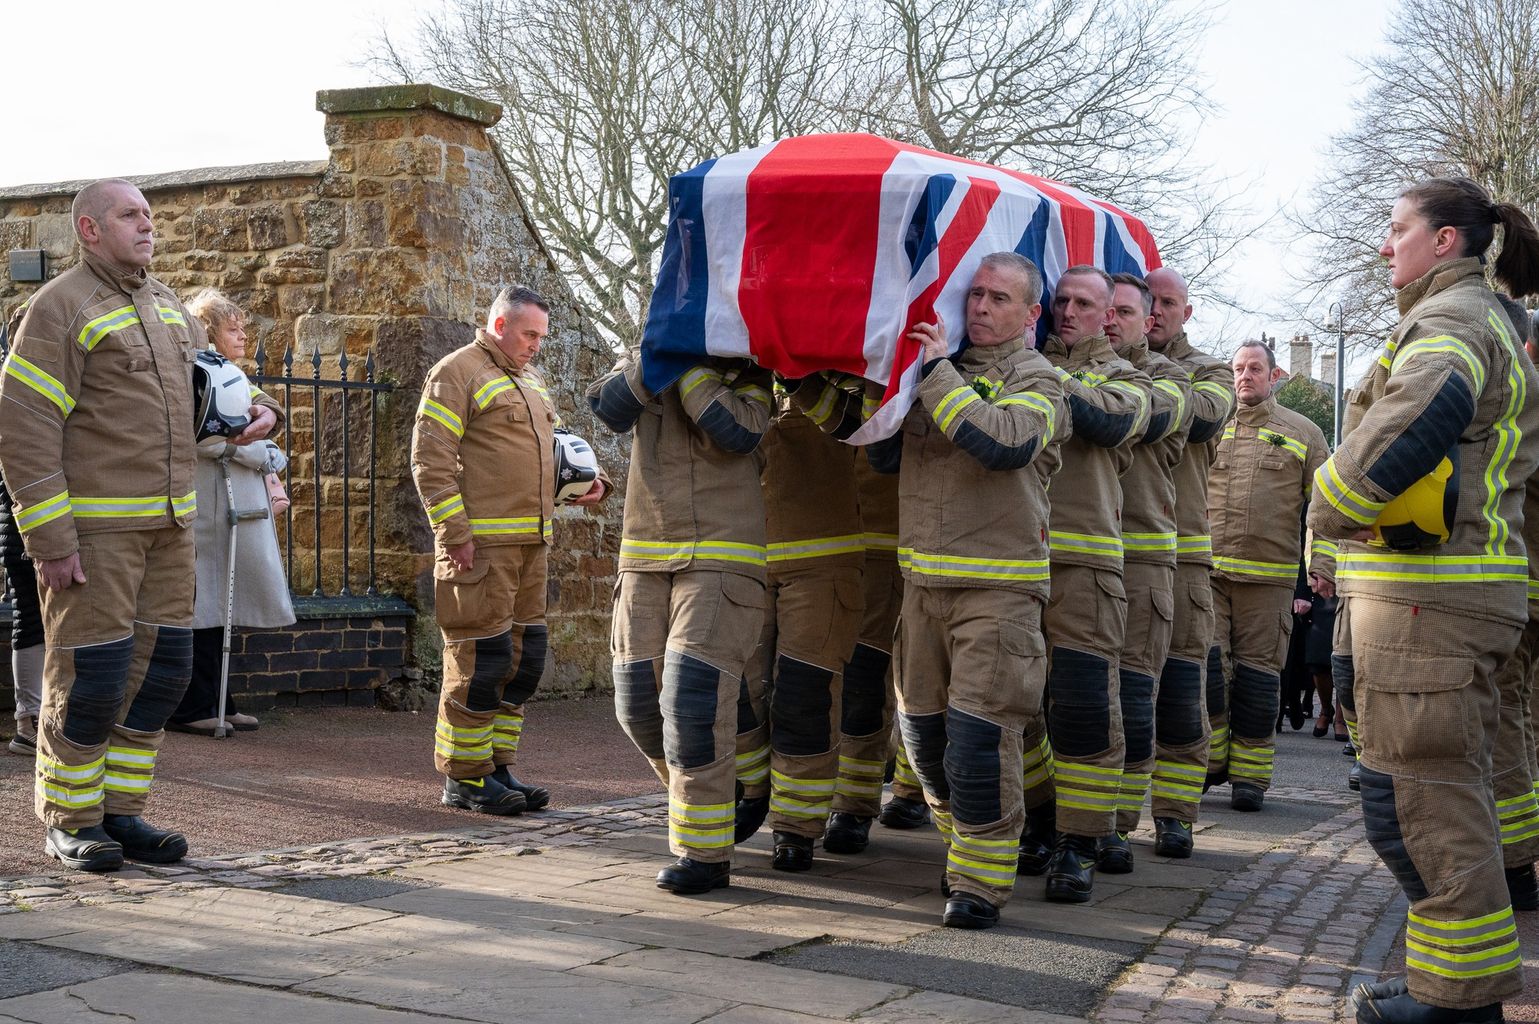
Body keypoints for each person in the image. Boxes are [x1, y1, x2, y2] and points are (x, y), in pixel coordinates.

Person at [0, 178, 277, 872]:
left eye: (149, 214)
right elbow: (25, 428)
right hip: (94, 536)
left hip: (170, 529)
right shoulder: (59, 306)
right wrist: (50, 540)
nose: (147, 224)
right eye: (130, 215)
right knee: (91, 678)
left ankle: (122, 812)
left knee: (162, 674)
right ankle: (71, 819)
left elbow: (215, 379)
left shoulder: (166, 303)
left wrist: (261, 408)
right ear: (90, 229)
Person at [1313, 175, 1539, 1024]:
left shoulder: (1450, 320)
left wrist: (1330, 501)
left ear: (1444, 240)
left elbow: (1428, 401)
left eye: (1396, 228)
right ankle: (1448, 991)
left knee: (1420, 805)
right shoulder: (1484, 316)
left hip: (1430, 604)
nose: (1385, 245)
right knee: (1427, 799)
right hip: (1443, 598)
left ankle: (1458, 1007)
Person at [870, 251, 1068, 929]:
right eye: (975, 294)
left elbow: (1003, 443)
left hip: (999, 591)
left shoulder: (1039, 379)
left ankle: (980, 883)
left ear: (1031, 313)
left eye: (999, 298)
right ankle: (971, 848)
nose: (980, 307)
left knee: (980, 741)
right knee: (924, 741)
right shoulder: (935, 366)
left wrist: (933, 373)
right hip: (922, 588)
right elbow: (880, 453)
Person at [412, 286, 606, 817]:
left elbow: (553, 450)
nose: (536, 345)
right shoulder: (457, 372)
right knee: (480, 660)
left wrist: (591, 483)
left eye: (541, 336)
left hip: (530, 546)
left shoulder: (529, 380)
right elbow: (430, 460)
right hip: (480, 550)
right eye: (529, 334)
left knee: (523, 662)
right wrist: (455, 534)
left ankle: (497, 768)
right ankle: (464, 777)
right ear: (500, 325)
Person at [588, 351, 771, 895]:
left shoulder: (751, 373)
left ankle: (703, 853)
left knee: (693, 701)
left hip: (722, 553)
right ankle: (726, 788)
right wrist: (659, 353)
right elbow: (608, 406)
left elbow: (738, 432)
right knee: (637, 704)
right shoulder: (649, 357)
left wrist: (689, 365)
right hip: (645, 554)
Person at [1018, 264, 1150, 904]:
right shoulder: (1021, 363)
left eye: (1085, 304)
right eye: (1061, 301)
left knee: (1084, 707)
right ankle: (1039, 817)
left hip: (1086, 563)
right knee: (1014, 706)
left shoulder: (1127, 378)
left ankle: (1081, 841)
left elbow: (1109, 421)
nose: (1069, 312)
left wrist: (1041, 377)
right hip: (1017, 560)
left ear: (1108, 315)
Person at [731, 378, 865, 869]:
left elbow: (855, 424)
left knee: (804, 697)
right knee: (741, 692)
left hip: (824, 564)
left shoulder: (841, 375)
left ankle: (796, 826)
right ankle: (752, 789)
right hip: (745, 559)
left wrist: (799, 376)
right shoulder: (736, 372)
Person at [1205, 340, 1328, 812]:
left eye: (1255, 368)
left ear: (1274, 376)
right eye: (1238, 368)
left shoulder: (1303, 432)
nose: (1244, 376)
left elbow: (1324, 510)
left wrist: (1322, 565)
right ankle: (1212, 759)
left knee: (1257, 682)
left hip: (1269, 582)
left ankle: (1250, 778)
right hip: (1208, 574)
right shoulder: (1210, 424)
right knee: (1208, 673)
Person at [167, 289, 292, 736]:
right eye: (232, 328)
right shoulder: (196, 372)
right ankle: (192, 704)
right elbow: (206, 439)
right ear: (208, 332)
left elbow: (262, 407)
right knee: (203, 606)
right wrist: (261, 453)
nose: (242, 336)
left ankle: (220, 700)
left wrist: (268, 421)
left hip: (229, 504)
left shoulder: (228, 372)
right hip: (205, 503)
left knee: (223, 605)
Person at [1101, 272, 1192, 872]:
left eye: (1127, 312)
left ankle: (1118, 823)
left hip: (1142, 557)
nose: (1112, 320)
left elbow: (1154, 418)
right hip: (1074, 557)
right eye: (1104, 310)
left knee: (1136, 696)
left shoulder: (1173, 378)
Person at [1143, 267, 1236, 857]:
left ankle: (1176, 814)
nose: (1156, 311)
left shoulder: (1211, 372)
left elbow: (1202, 416)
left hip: (1183, 554)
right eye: (1147, 300)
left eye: (1168, 303)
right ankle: (1106, 821)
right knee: (1115, 696)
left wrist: (1138, 371)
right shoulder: (1108, 363)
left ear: (1187, 312)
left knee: (1180, 690)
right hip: (1119, 549)